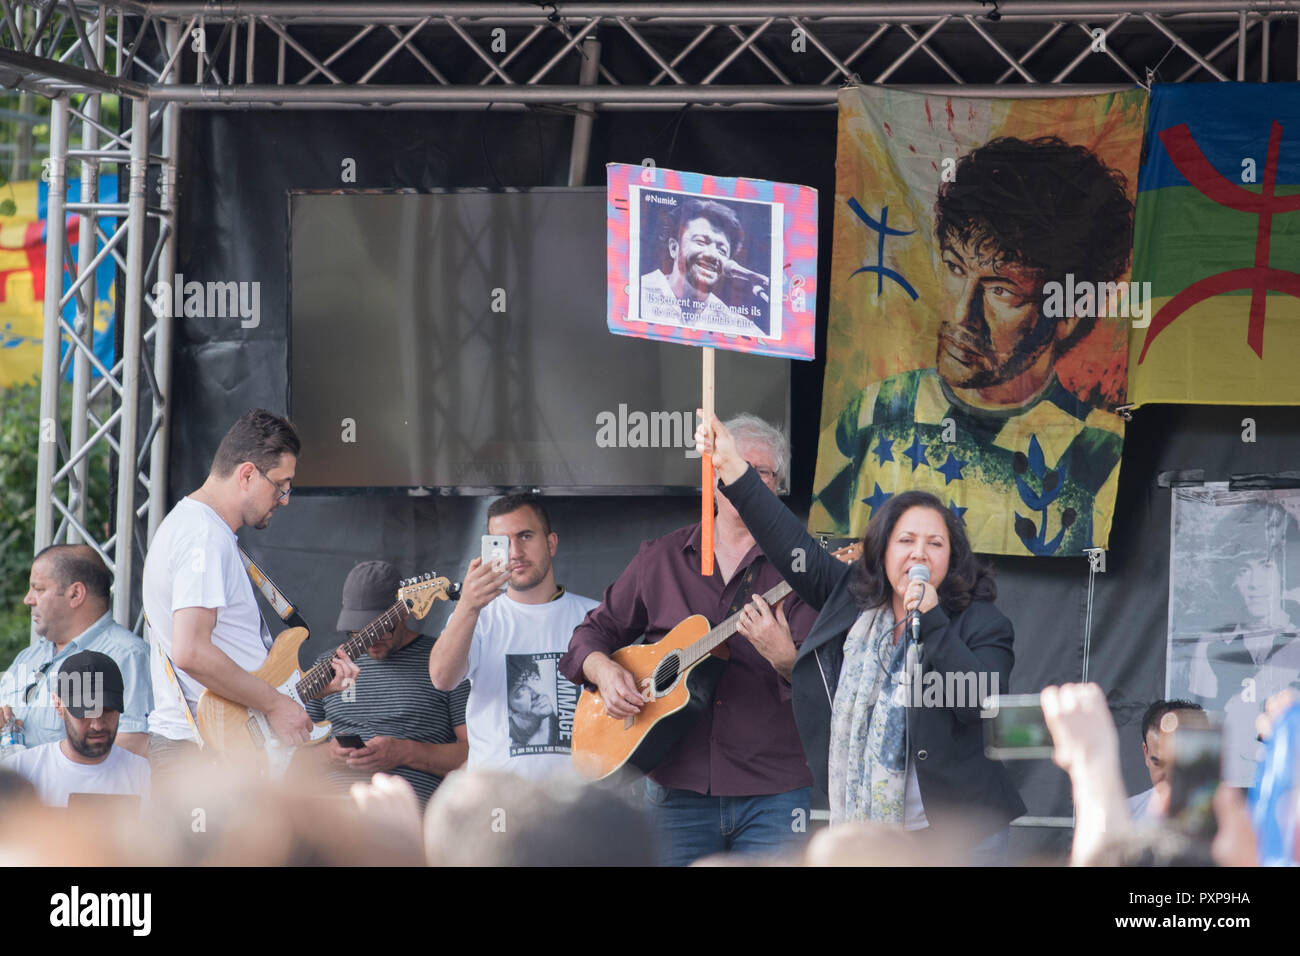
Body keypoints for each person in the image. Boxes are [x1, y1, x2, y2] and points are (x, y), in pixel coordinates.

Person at [696, 413, 1024, 861]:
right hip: (870, 837)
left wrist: (932, 621)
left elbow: (981, 703)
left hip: (959, 835)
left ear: (954, 554)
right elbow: (791, 545)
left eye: (935, 543)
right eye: (905, 540)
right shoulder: (852, 599)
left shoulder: (982, 622)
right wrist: (732, 466)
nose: (919, 553)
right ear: (882, 550)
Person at [811, 136, 1134, 557]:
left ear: (1068, 312)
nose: (962, 314)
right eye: (954, 268)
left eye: (1001, 290)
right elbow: (820, 562)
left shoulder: (1099, 453)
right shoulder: (879, 408)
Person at [561, 414, 818, 867]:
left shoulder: (802, 564)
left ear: (776, 486)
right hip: (674, 788)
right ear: (712, 475)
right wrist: (604, 670)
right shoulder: (660, 558)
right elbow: (589, 635)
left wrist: (784, 659)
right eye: (732, 466)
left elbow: (830, 681)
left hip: (773, 791)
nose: (745, 482)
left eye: (759, 473)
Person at [141, 409, 357, 777]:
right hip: (202, 758)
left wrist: (298, 691)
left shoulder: (200, 529)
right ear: (246, 474)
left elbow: (231, 662)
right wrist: (276, 704)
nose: (285, 498)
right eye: (281, 484)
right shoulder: (203, 537)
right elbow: (190, 651)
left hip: (214, 748)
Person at [429, 493, 598, 779]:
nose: (515, 552)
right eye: (502, 542)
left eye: (526, 536)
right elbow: (442, 678)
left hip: (579, 803)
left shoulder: (595, 615)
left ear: (551, 543)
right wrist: (468, 606)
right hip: (498, 800)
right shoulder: (477, 616)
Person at [302, 561, 468, 807]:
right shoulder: (328, 666)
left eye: (381, 629)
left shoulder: (445, 661)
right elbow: (289, 763)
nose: (370, 641)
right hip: (331, 820)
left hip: (407, 819)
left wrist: (406, 752)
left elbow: (477, 755)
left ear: (404, 612)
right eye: (358, 631)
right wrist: (329, 755)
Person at [0, 545, 151, 755]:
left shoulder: (128, 655)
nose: (28, 599)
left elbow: (134, 745)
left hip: (69, 789)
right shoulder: (28, 656)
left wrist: (42, 770)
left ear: (76, 594)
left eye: (39, 589)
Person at [2, 651, 150, 807]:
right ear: (59, 706)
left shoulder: (145, 776)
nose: (97, 725)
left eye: (107, 710)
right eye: (84, 712)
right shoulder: (20, 772)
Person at [638, 198, 764, 336]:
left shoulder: (735, 326)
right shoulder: (637, 294)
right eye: (701, 242)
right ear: (674, 247)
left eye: (722, 250)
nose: (712, 255)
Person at [1127, 699, 1204, 821]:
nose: (1169, 775)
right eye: (1158, 763)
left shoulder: (1230, 820)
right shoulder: (1125, 815)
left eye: (1179, 763)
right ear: (1146, 753)